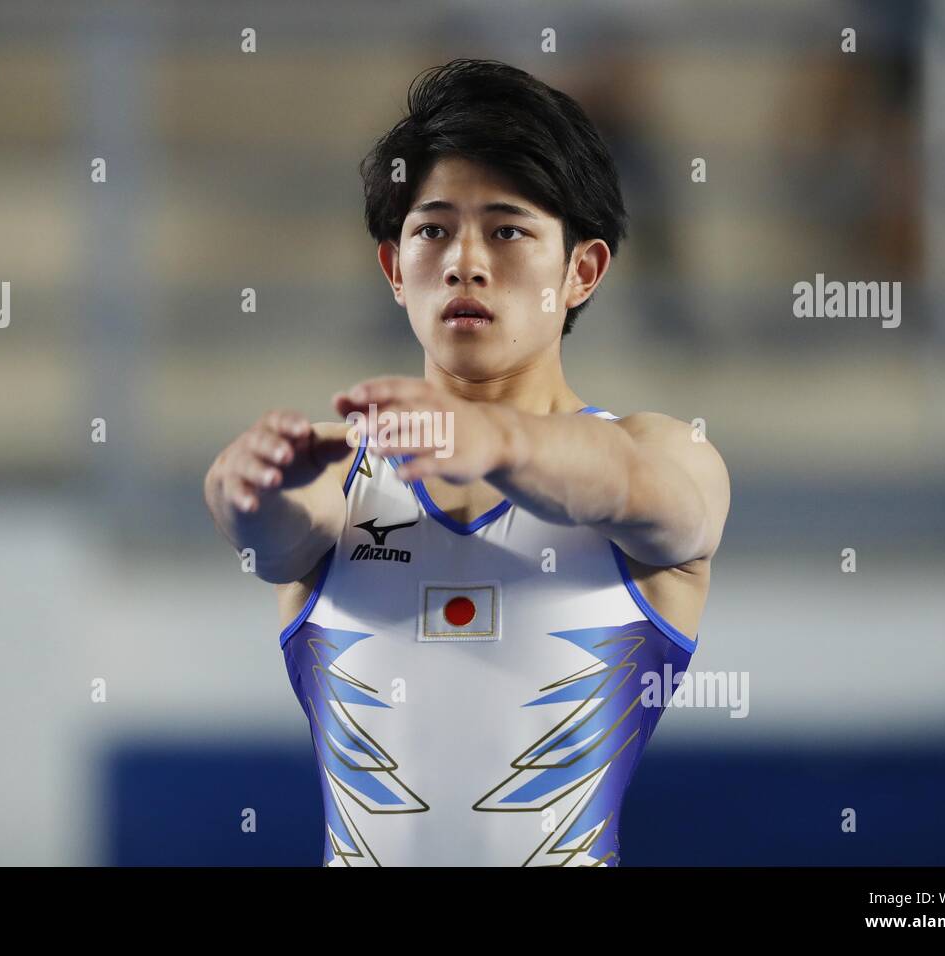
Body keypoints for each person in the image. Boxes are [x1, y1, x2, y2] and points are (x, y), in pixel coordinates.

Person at [204, 59, 730, 866]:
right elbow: (277, 536)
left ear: (581, 272)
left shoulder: (666, 454)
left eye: (508, 229)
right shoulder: (336, 474)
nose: (464, 262)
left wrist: (496, 439)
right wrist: (240, 493)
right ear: (393, 269)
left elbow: (644, 492)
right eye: (434, 229)